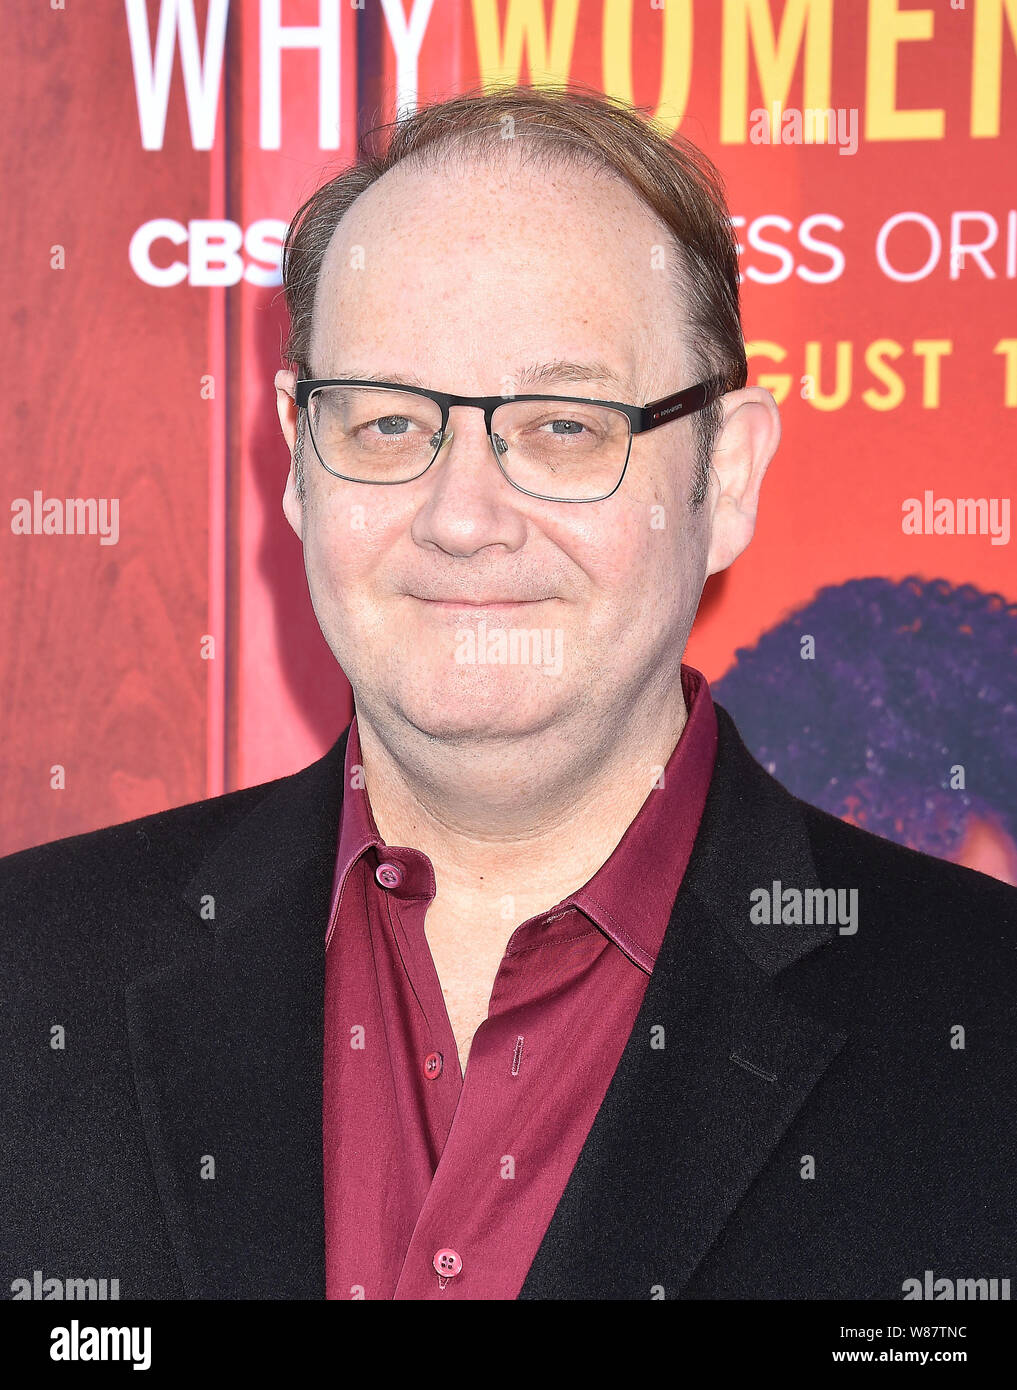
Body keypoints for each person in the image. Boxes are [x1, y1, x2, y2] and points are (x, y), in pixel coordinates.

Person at [3, 85, 1014, 1302]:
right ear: (296, 462)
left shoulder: (983, 1022)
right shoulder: (28, 978)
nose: (463, 516)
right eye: (385, 422)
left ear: (727, 476)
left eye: (565, 427)